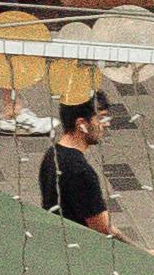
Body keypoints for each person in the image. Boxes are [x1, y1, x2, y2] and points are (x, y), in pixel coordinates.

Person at [35, 85, 112, 226]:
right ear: (81, 124)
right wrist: (140, 249)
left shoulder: (51, 154)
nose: (106, 124)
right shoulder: (81, 172)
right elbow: (103, 228)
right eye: (100, 118)